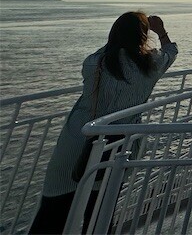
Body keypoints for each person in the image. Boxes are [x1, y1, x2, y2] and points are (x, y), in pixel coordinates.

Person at [29, 12, 177, 235]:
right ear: (143, 36)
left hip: (78, 140)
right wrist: (161, 31)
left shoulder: (94, 63)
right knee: (99, 213)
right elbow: (171, 52)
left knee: (53, 211)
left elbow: (106, 61)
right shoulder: (151, 65)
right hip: (118, 146)